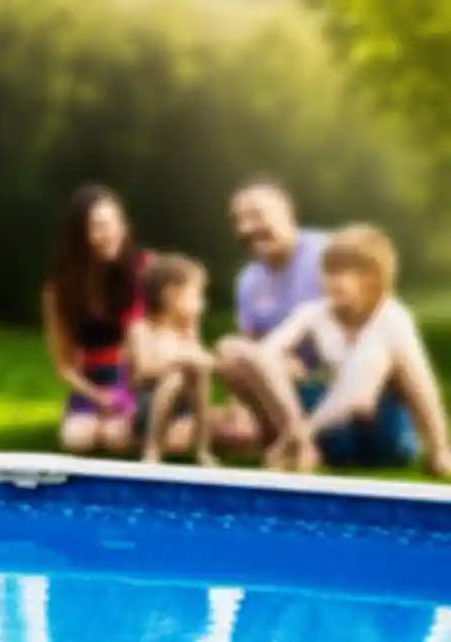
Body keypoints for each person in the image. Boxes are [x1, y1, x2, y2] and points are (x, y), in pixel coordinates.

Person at [252, 226, 451, 475]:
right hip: (339, 436)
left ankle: (299, 436)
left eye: (343, 272)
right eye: (328, 271)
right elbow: (263, 354)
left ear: (371, 280)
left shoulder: (391, 316)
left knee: (377, 355)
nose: (330, 280)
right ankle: (301, 439)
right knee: (268, 362)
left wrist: (439, 449)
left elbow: (421, 386)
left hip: (385, 436)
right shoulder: (313, 313)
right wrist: (284, 363)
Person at [214, 178, 329, 453]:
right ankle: (279, 437)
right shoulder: (248, 280)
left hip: (333, 369)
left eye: (255, 215)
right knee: (228, 351)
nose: (245, 228)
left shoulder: (327, 254)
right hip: (279, 375)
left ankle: (299, 445)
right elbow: (250, 342)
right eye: (237, 221)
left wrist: (311, 366)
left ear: (287, 212)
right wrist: (237, 407)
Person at [43, 184, 150, 455]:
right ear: (80, 234)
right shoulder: (58, 290)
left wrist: (128, 391)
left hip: (135, 377)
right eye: (99, 226)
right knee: (77, 440)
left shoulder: (144, 271)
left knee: (116, 438)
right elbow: (64, 365)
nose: (109, 233)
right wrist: (97, 396)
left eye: (115, 223)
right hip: (93, 382)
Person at [124, 254, 219, 466]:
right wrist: (179, 360)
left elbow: (204, 362)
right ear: (171, 295)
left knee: (198, 373)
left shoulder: (187, 331)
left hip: (183, 410)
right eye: (196, 296)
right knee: (176, 377)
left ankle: (203, 448)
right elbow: (145, 372)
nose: (202, 305)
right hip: (149, 407)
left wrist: (200, 360)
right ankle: (152, 449)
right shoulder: (142, 330)